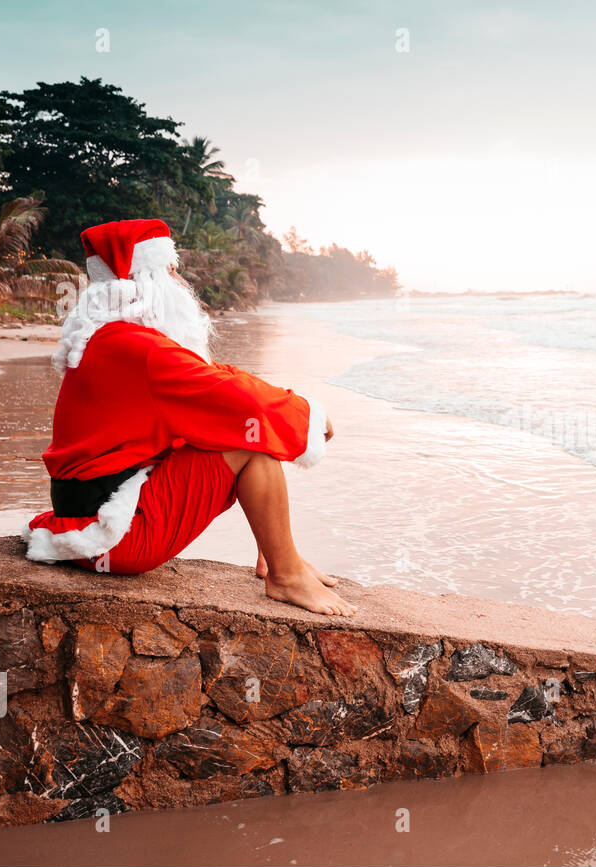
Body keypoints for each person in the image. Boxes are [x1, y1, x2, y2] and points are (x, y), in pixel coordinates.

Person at [23, 218, 356, 616]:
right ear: (149, 282)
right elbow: (240, 403)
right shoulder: (142, 349)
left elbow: (217, 379)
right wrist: (310, 414)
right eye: (170, 270)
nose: (180, 281)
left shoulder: (111, 338)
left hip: (83, 520)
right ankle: (285, 576)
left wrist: (291, 401)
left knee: (224, 426)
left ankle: (280, 556)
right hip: (115, 535)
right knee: (251, 448)